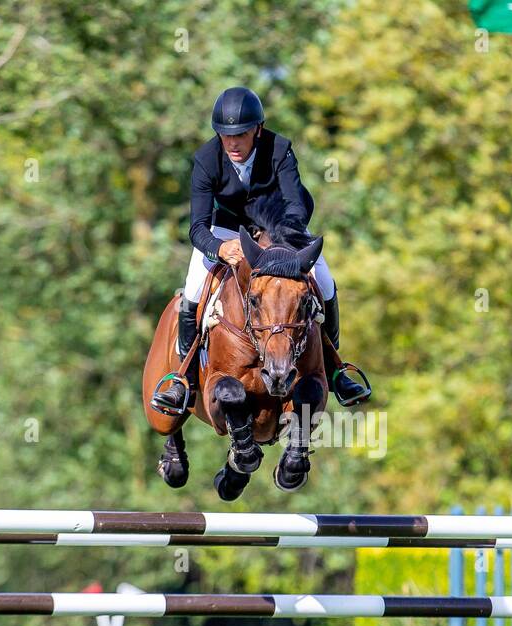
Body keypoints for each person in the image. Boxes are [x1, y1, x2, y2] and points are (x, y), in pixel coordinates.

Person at [155, 86, 371, 412]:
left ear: (257, 129)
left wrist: (280, 242)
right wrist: (219, 249)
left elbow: (296, 205)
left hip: (280, 229)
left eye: (240, 135)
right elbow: (197, 227)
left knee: (324, 282)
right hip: (226, 230)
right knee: (194, 290)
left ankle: (335, 369)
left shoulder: (279, 149)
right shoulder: (205, 159)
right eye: (226, 136)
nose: (233, 144)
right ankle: (182, 379)